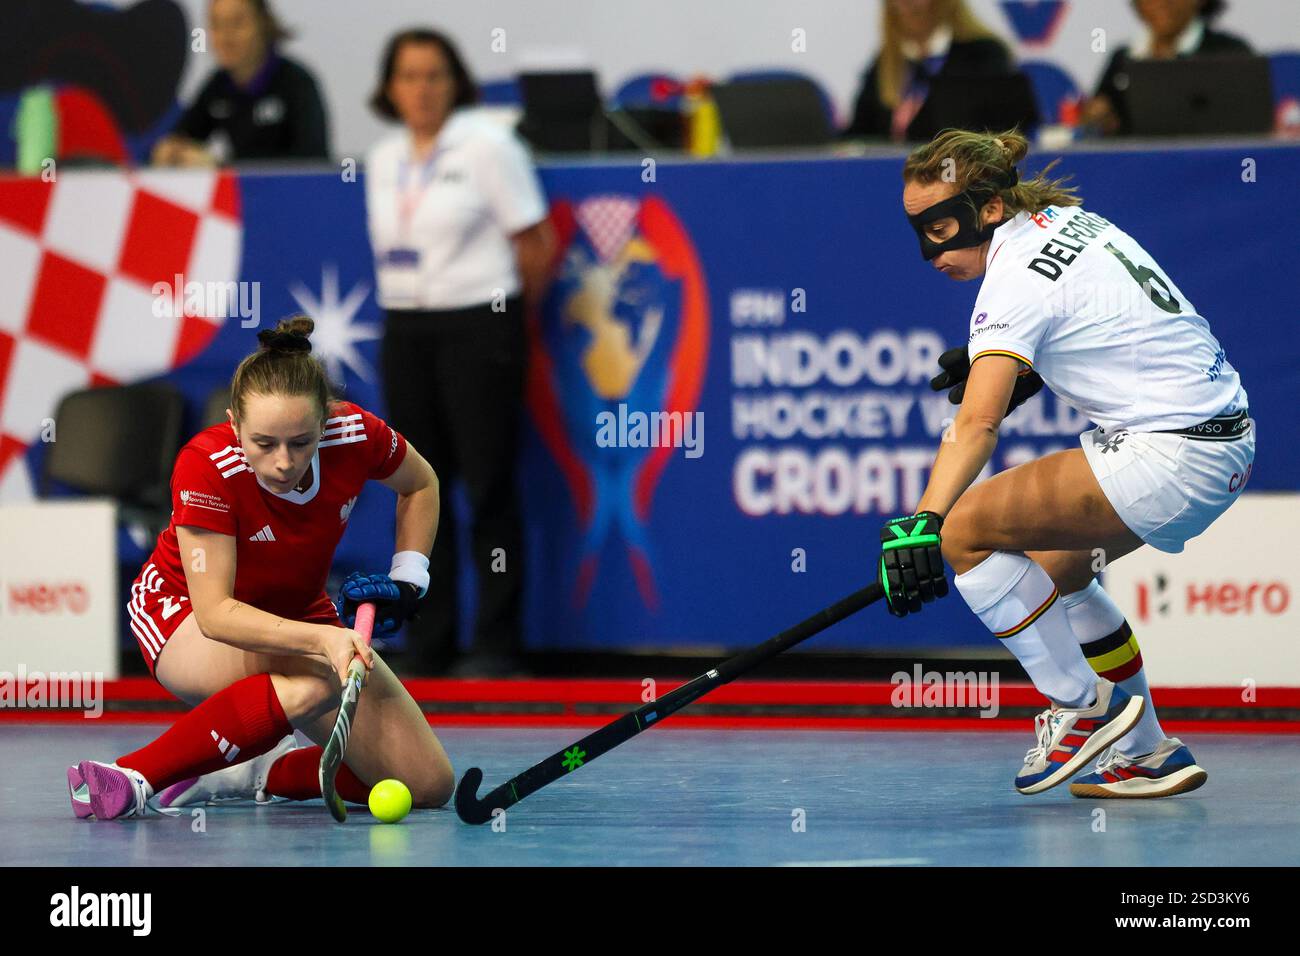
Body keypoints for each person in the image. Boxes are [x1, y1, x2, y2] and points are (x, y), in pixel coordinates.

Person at [881, 128, 1253, 797]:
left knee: (965, 530)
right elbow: (1101, 322)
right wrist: (1021, 368)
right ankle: (1147, 754)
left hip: (1166, 452)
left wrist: (922, 522)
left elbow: (977, 424)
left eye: (941, 225)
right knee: (1060, 571)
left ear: (988, 208)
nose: (930, 250)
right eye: (919, 229)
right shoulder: (1068, 221)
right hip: (1223, 439)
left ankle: (1082, 705)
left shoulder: (1013, 280)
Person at [68, 316, 453, 819]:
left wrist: (408, 579)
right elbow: (217, 615)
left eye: (301, 442)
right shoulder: (206, 465)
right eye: (264, 443)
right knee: (321, 675)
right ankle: (133, 774)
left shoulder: (355, 433)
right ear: (234, 424)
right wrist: (325, 639)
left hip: (296, 612)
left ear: (325, 423)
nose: (283, 463)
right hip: (183, 612)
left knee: (426, 783)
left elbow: (421, 484)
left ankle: (252, 770)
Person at [364, 29, 555, 676]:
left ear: (456, 82)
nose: (421, 89)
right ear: (390, 88)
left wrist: (505, 321)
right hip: (407, 330)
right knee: (419, 488)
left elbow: (536, 240)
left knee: (489, 487)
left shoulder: (489, 144)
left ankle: (498, 644)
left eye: (434, 75)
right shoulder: (383, 155)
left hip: (480, 327)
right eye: (409, 76)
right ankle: (428, 641)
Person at [152, 0, 329, 166]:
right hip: (241, 195)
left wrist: (219, 166)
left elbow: (313, 161)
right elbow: (183, 137)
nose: (226, 37)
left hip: (293, 195)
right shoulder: (218, 85)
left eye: (237, 23)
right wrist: (170, 150)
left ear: (262, 24)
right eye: (217, 25)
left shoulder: (297, 83)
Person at [843, 0, 1013, 141]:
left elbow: (1000, 132)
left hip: (966, 176)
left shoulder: (984, 56)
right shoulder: (882, 66)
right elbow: (859, 138)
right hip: (897, 177)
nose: (906, 5)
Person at [1083, 0, 1254, 136]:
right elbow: (1097, 119)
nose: (1161, 2)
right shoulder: (1122, 58)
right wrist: (1098, 118)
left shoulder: (1230, 52)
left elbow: (1252, 123)